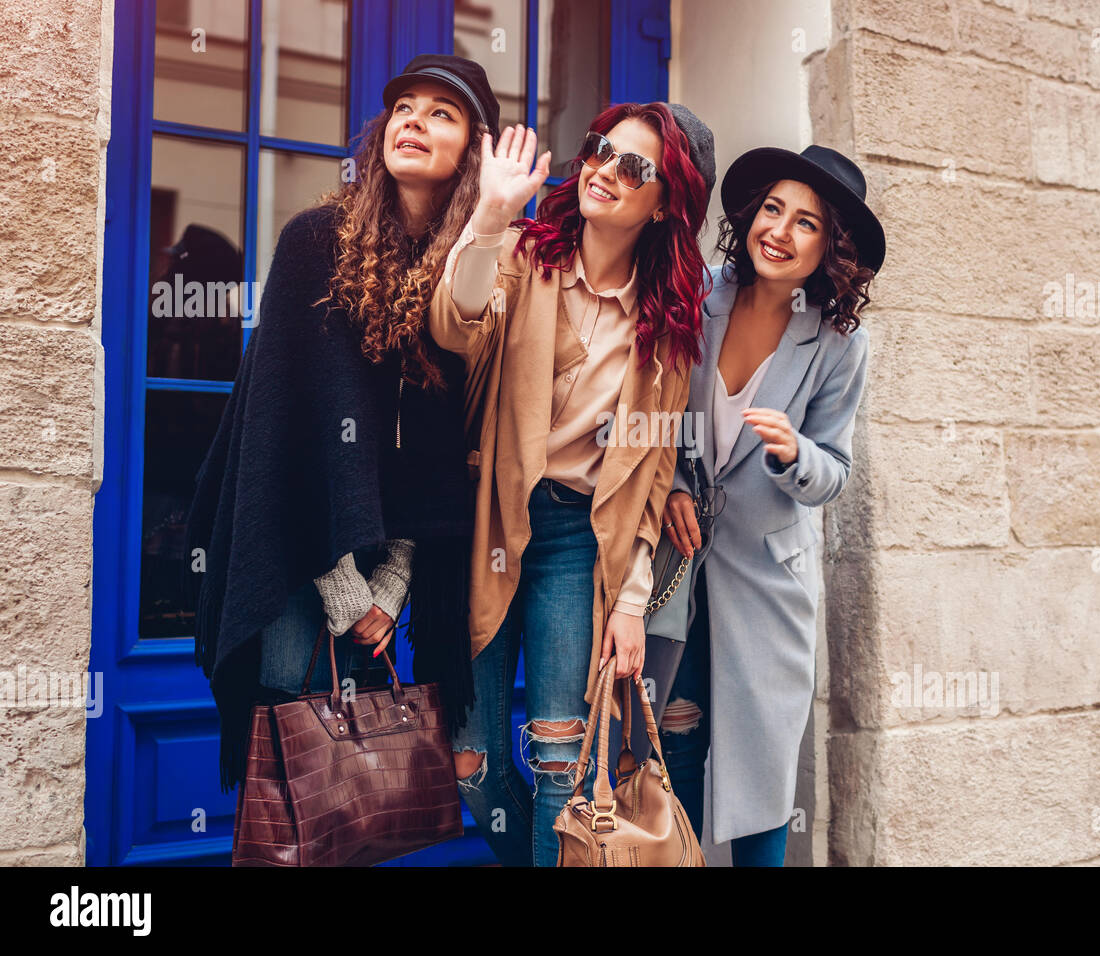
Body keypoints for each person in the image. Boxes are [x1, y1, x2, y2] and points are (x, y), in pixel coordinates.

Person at [185, 55, 501, 793]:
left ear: (472, 156)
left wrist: (392, 581)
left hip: (384, 574)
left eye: (442, 113)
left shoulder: (466, 275)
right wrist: (341, 584)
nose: (415, 120)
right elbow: (280, 433)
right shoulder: (315, 244)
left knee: (350, 792)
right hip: (299, 559)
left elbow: (440, 445)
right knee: (290, 769)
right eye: (405, 107)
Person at [425, 102, 716, 866]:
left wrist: (629, 598)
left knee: (566, 763)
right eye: (599, 149)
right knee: (472, 767)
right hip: (485, 523)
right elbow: (454, 323)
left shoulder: (667, 329)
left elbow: (653, 474)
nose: (605, 170)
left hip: (580, 542)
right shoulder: (523, 257)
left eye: (635, 167)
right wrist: (491, 210)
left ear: (665, 205)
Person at [658, 144, 885, 866]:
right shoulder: (697, 296)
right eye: (773, 209)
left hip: (768, 579)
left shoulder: (839, 343)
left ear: (831, 247)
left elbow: (836, 470)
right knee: (673, 744)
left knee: (763, 778)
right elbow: (651, 413)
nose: (780, 231)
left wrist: (794, 454)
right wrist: (667, 485)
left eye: (807, 223)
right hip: (678, 567)